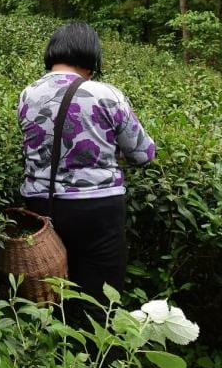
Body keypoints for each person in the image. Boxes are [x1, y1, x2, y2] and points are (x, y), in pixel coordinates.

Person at [18, 21, 154, 327]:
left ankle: (52, 360)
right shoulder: (106, 95)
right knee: (100, 302)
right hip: (98, 211)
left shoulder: (28, 95)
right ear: (92, 58)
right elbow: (143, 153)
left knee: (52, 295)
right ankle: (99, 367)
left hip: (40, 208)